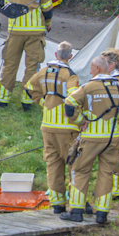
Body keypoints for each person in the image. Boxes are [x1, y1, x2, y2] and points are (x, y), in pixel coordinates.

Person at [63, 50, 119, 224]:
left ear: (98, 67)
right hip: (113, 137)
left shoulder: (89, 87)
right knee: (107, 174)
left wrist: (81, 121)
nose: (90, 72)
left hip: (92, 137)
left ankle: (76, 211)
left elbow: (69, 104)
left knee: (80, 170)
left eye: (92, 68)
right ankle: (102, 214)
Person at [25, 41, 81, 215]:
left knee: (53, 166)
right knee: (74, 165)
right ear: (70, 56)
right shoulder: (70, 75)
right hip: (66, 127)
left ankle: (57, 204)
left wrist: (44, 103)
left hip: (47, 126)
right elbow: (74, 97)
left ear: (56, 55)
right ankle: (76, 203)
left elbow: (29, 88)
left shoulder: (43, 72)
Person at [0, 0, 51, 108]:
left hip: (15, 30)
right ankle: (27, 100)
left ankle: (1, 100)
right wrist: (48, 24)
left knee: (9, 64)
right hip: (35, 32)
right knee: (32, 66)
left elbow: (4, 4)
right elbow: (47, 8)